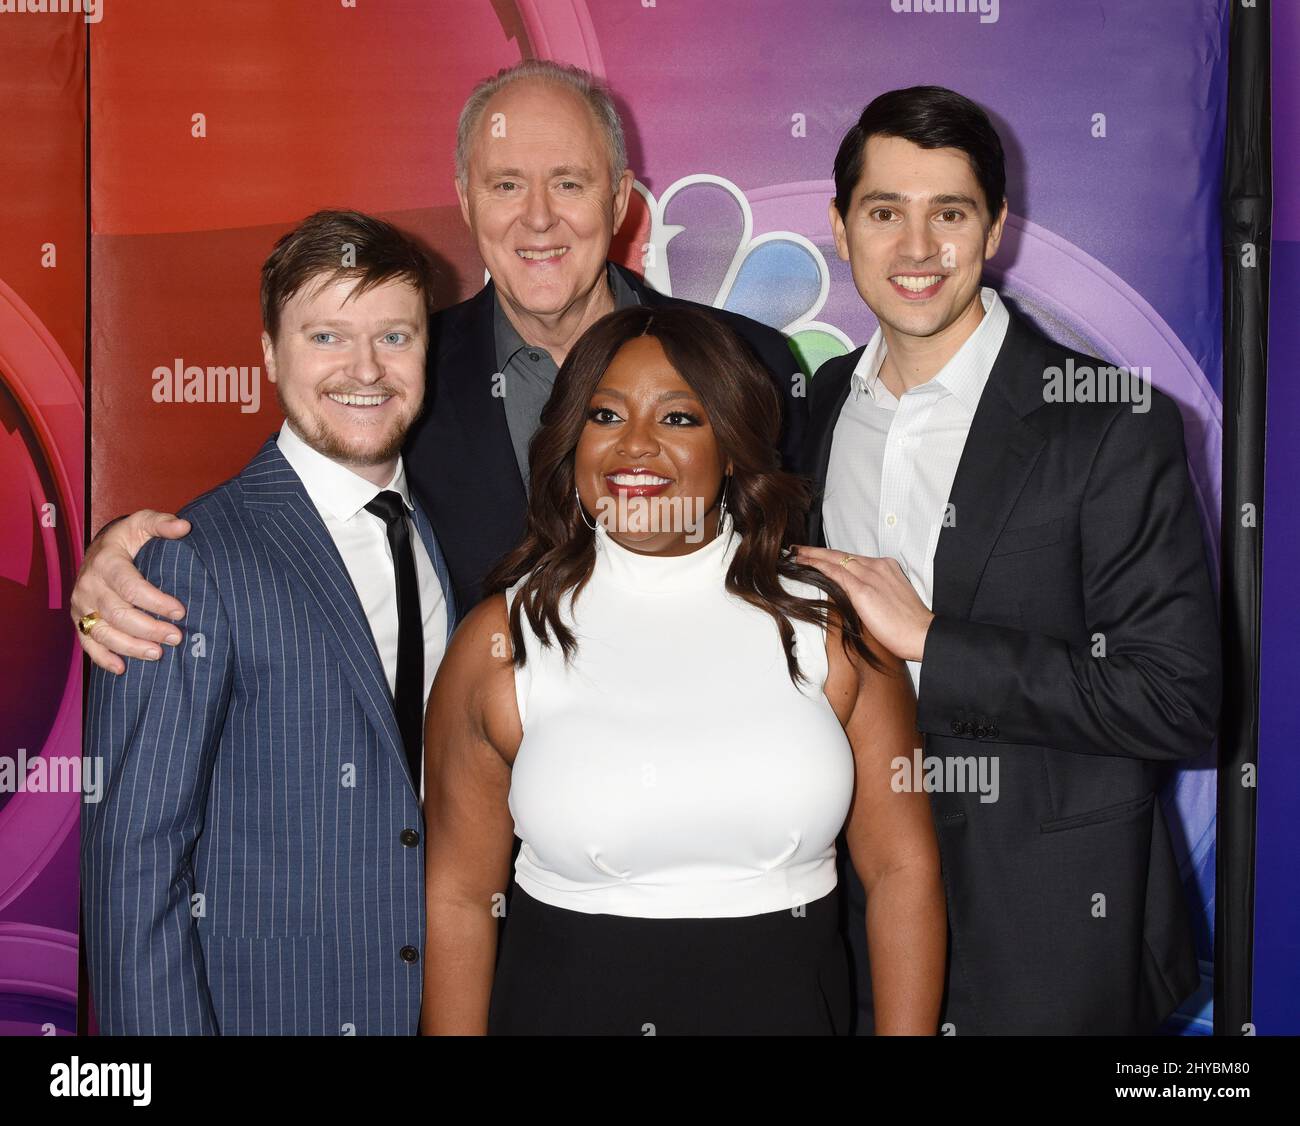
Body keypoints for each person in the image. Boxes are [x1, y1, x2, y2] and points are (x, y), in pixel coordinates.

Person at [70, 60, 805, 666]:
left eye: (570, 183)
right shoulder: (397, 373)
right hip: (477, 811)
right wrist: (127, 553)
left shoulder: (750, 363)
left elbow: (801, 578)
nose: (539, 217)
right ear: (465, 200)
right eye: (506, 184)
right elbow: (291, 515)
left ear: (619, 201)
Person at [795, 86, 1221, 1034]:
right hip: (849, 919)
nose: (915, 248)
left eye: (949, 212)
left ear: (993, 230)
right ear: (838, 226)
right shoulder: (816, 407)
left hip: (1052, 938)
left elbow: (1178, 699)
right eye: (883, 212)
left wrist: (936, 645)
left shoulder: (1111, 422)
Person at [419, 305, 944, 1036]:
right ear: (571, 442)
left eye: (678, 419)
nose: (635, 448)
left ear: (732, 447)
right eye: (605, 415)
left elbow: (902, 873)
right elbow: (457, 899)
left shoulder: (833, 627)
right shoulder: (500, 640)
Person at [82, 211, 456, 1035]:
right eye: (327, 336)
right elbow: (134, 863)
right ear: (267, 354)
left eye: (394, 336)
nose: (366, 368)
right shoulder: (193, 558)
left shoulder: (440, 527)